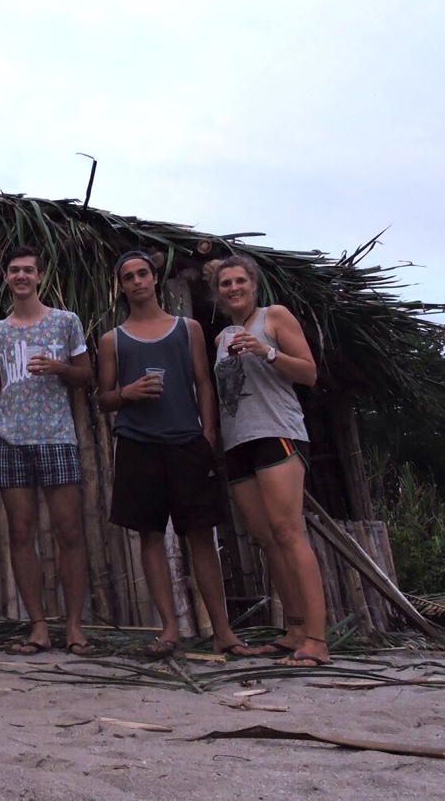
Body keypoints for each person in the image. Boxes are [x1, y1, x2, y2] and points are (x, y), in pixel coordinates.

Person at [97, 250, 255, 659]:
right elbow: (104, 398)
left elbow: (204, 382)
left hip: (186, 442)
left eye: (142, 273)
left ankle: (222, 631)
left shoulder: (188, 329)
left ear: (154, 278)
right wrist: (126, 394)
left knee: (201, 535)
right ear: (122, 286)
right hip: (137, 443)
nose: (136, 281)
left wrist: (208, 434)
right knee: (150, 535)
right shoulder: (113, 340)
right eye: (128, 276)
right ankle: (169, 629)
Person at [213, 255, 330, 667]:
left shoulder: (274, 317)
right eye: (225, 283)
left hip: (276, 432)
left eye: (239, 280)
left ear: (253, 284)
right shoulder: (223, 336)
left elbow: (309, 373)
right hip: (238, 441)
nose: (233, 288)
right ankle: (295, 630)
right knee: (264, 537)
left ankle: (317, 640)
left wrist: (266, 352)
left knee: (288, 531)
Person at [0, 246, 93, 655]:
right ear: (6, 277)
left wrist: (59, 368)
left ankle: (74, 627)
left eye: (28, 270)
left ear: (40, 276)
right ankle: (37, 627)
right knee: (20, 533)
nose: (21, 276)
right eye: (14, 270)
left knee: (69, 531)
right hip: (10, 438)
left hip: (56, 435)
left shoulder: (66, 322)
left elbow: (86, 376)